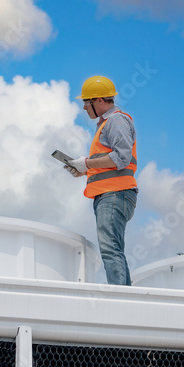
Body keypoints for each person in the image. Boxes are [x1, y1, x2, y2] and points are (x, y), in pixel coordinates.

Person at [65, 75, 138, 286]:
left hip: (115, 193)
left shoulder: (115, 120)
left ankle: (119, 298)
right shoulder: (107, 123)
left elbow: (122, 157)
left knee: (110, 249)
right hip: (113, 193)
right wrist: (84, 171)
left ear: (98, 101)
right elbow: (110, 161)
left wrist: (87, 164)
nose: (84, 108)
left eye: (86, 103)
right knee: (114, 248)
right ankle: (124, 296)